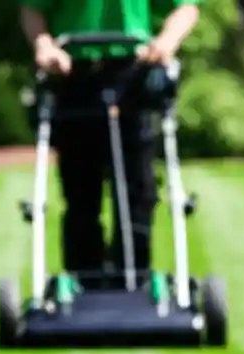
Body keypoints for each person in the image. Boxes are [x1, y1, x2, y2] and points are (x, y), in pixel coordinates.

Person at [18, 0, 201, 284]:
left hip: (133, 71)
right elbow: (32, 9)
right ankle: (83, 281)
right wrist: (45, 47)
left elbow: (186, 8)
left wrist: (166, 42)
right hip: (72, 73)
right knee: (80, 192)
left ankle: (134, 278)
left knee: (137, 191)